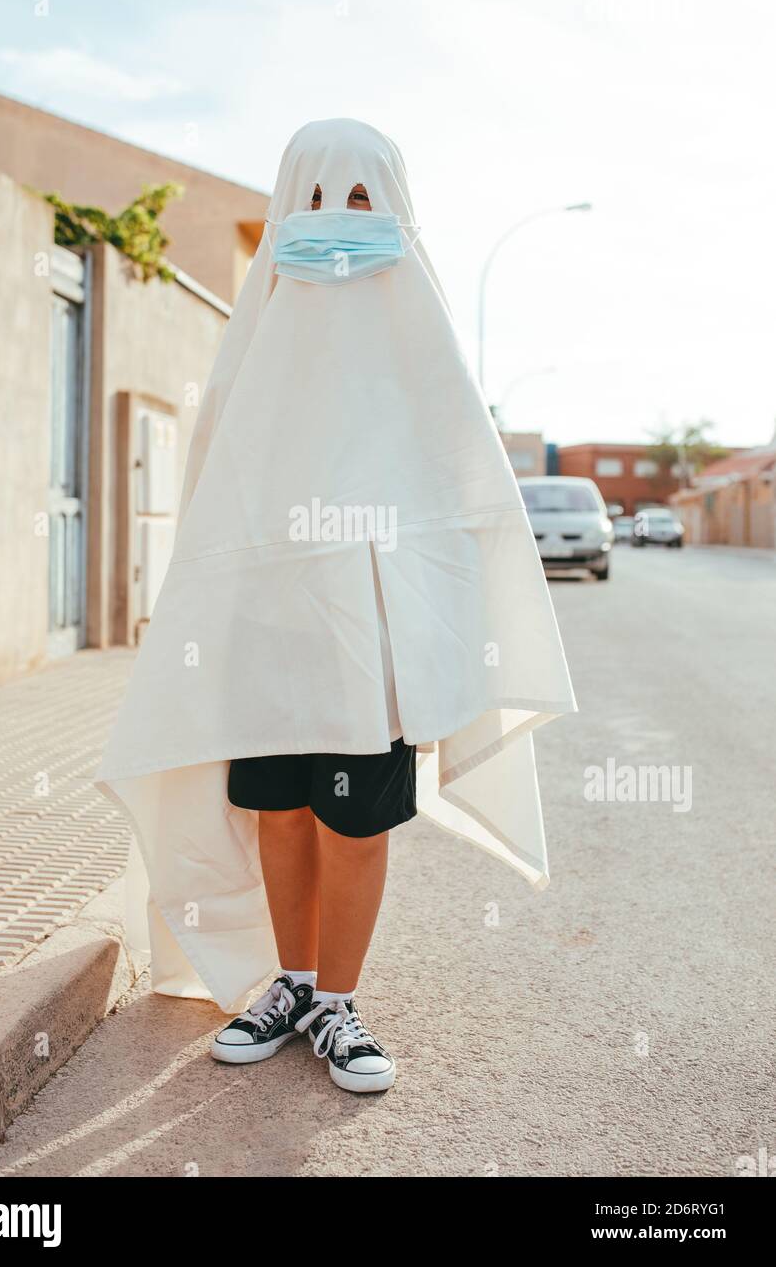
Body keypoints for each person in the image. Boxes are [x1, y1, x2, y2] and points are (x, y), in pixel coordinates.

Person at [95, 118, 576, 1096]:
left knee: (353, 822)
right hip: (268, 626)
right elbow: (213, 478)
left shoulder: (420, 330)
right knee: (278, 816)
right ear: (284, 206)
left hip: (372, 634)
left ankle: (339, 1004)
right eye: (316, 199)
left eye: (361, 202)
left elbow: (463, 486)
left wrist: (440, 628)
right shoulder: (259, 325)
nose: (338, 223)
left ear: (395, 208)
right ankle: (293, 981)